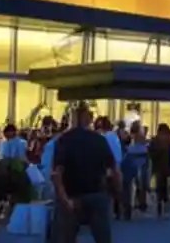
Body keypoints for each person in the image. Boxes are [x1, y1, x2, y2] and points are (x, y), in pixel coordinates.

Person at [51, 104, 117, 243]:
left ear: (73, 119)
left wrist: (64, 199)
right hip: (97, 195)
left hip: (72, 196)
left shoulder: (64, 140)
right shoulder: (100, 140)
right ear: (89, 120)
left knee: (66, 237)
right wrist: (114, 194)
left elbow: (57, 174)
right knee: (103, 238)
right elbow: (113, 170)